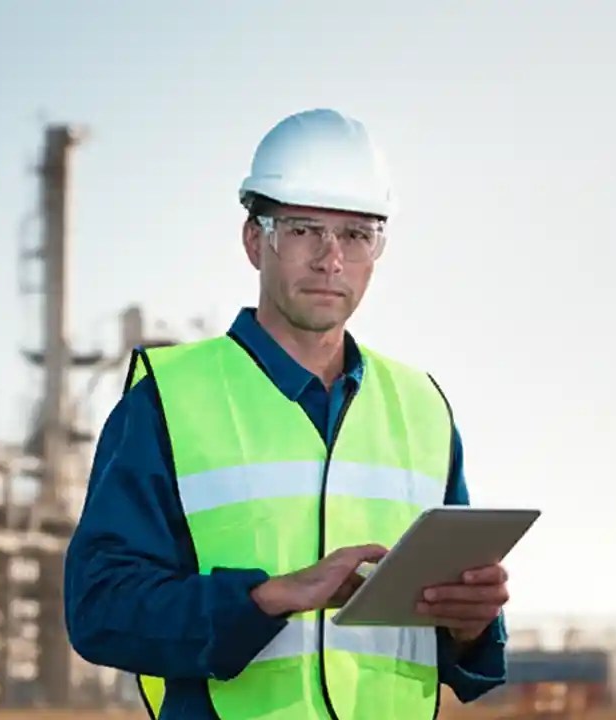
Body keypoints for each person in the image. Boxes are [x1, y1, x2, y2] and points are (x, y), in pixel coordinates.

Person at [63, 108, 510, 720]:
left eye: (356, 235)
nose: (332, 259)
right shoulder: (168, 400)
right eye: (304, 230)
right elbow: (99, 610)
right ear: (256, 240)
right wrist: (270, 597)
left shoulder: (422, 408)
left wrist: (472, 624)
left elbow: (460, 644)